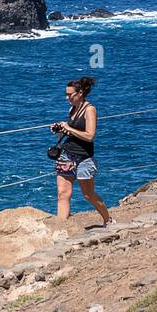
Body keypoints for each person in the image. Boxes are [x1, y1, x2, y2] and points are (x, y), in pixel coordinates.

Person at [52, 76, 113, 226]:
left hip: (84, 157)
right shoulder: (72, 109)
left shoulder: (89, 109)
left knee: (88, 194)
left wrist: (68, 128)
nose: (67, 98)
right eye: (66, 94)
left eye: (70, 95)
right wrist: (60, 130)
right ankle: (61, 228)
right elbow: (72, 132)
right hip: (66, 154)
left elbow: (90, 135)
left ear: (79, 93)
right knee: (63, 194)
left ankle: (108, 220)